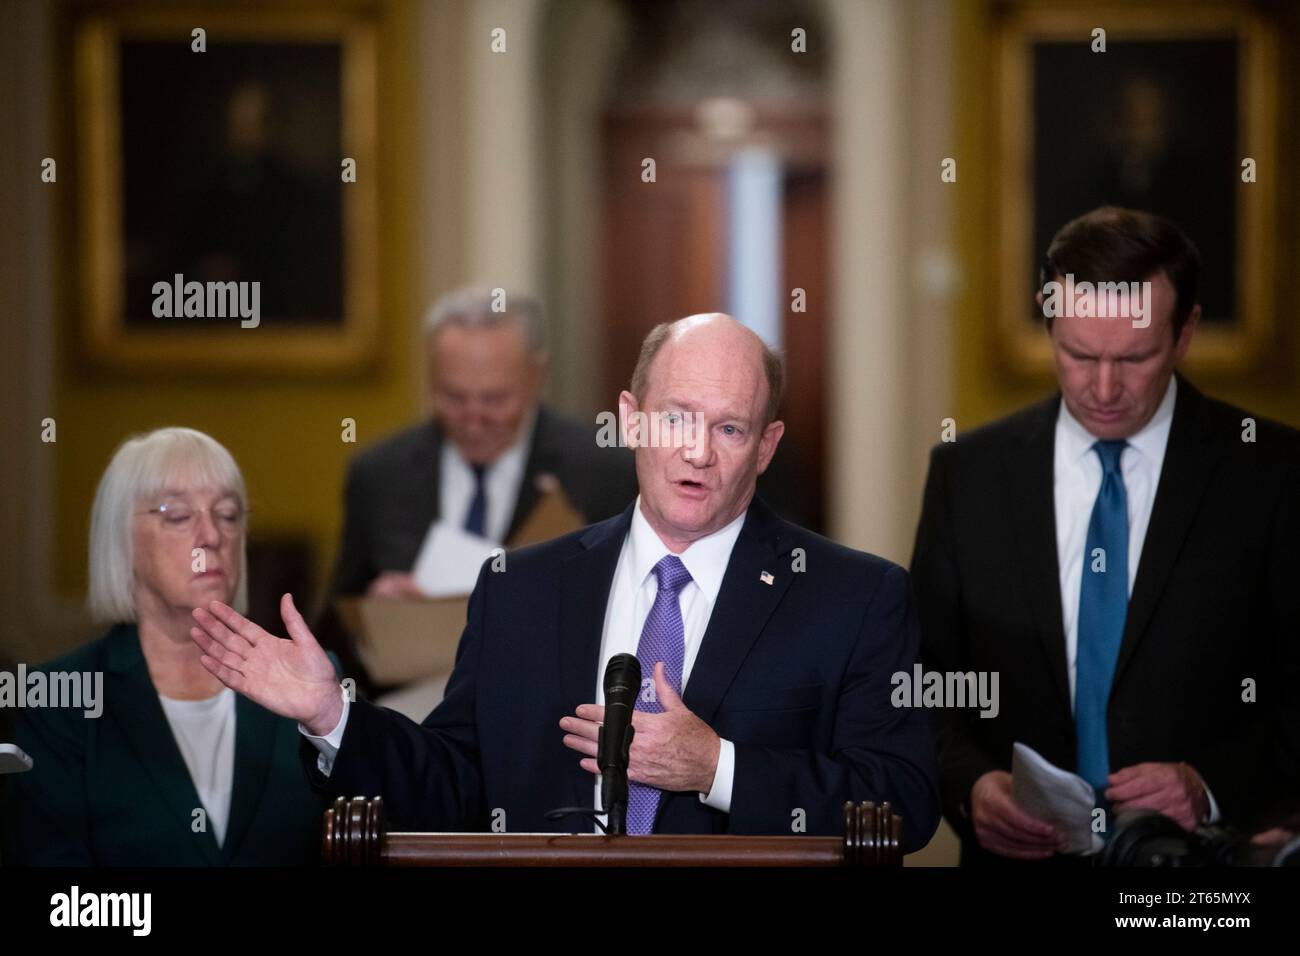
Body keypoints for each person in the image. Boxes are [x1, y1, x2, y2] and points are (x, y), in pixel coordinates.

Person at [192, 314, 940, 849]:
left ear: (767, 445)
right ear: (630, 419)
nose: (699, 453)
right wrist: (333, 714)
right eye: (677, 418)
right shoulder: (521, 587)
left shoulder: (854, 597)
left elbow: (900, 804)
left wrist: (718, 767)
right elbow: (456, 783)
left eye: (731, 428)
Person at [911, 207, 1300, 865]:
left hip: (1200, 872)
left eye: (1135, 358)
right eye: (1079, 354)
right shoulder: (967, 475)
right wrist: (968, 785)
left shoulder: (1272, 474)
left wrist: (1209, 786)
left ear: (1184, 335)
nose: (1104, 388)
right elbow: (921, 682)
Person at [5, 428, 332, 865]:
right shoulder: (57, 701)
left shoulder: (313, 683)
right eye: (177, 516)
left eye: (229, 514)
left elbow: (374, 833)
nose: (212, 535)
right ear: (122, 541)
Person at [315, 286, 637, 694]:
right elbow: (330, 636)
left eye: (494, 399)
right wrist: (373, 616)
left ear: (538, 376)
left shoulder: (604, 473)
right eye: (453, 397)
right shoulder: (380, 473)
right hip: (416, 719)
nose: (473, 418)